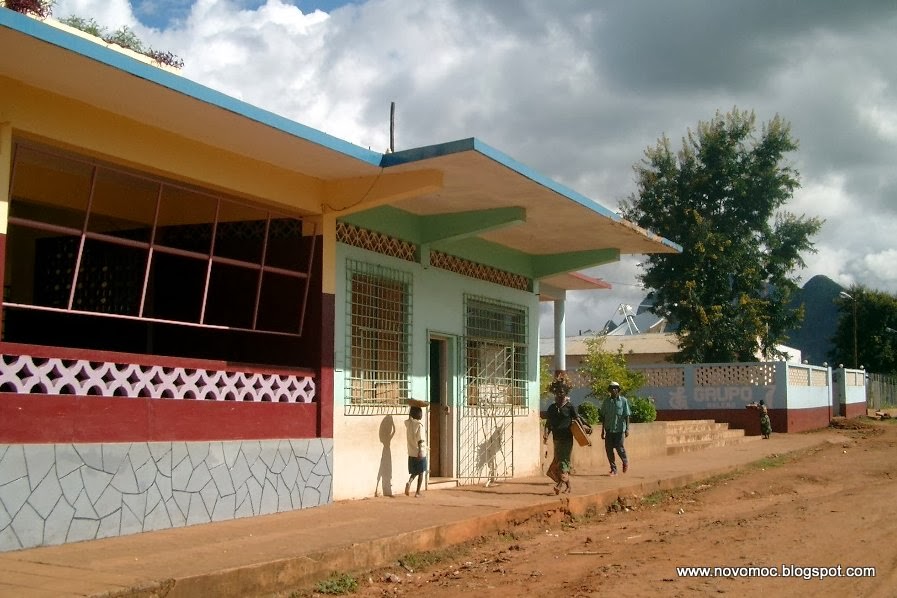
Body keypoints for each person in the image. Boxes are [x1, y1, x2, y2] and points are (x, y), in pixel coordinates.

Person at [543, 372, 591, 494]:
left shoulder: (570, 407)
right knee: (558, 462)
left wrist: (585, 427)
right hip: (556, 439)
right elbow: (548, 423)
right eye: (558, 392)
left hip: (567, 439)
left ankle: (559, 485)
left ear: (565, 393)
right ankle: (569, 486)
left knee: (563, 462)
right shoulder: (552, 408)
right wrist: (546, 434)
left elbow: (577, 419)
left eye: (562, 392)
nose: (560, 394)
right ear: (555, 393)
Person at [600, 381, 631, 476]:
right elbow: (603, 417)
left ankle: (625, 461)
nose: (614, 390)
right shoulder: (606, 402)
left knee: (619, 447)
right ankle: (613, 469)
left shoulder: (623, 401)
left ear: (618, 390)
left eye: (615, 388)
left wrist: (627, 429)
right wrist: (602, 431)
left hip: (619, 429)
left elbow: (627, 415)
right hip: (609, 429)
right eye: (612, 388)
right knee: (609, 449)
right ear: (609, 390)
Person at [404, 405, 427, 497]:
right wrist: (420, 450)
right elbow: (420, 439)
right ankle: (417, 492)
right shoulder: (419, 425)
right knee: (421, 471)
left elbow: (408, 419)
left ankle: (409, 482)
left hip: (411, 451)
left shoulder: (408, 424)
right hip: (419, 451)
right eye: (420, 412)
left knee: (415, 470)